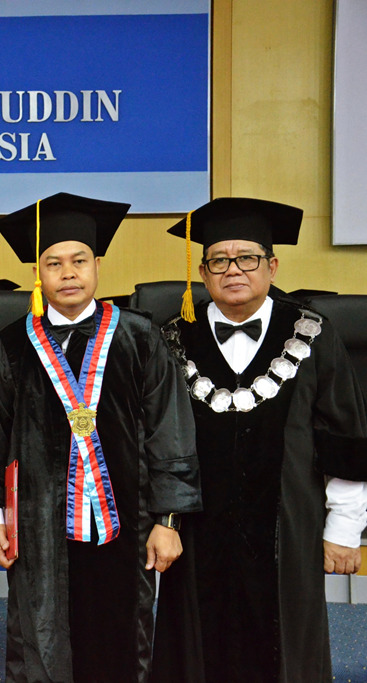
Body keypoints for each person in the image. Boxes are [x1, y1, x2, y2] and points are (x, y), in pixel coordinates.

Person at [0, 192, 201, 682]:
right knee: (40, 637)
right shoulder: (12, 345)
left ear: (97, 264)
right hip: (37, 528)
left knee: (122, 634)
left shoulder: (140, 337)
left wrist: (168, 519)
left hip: (128, 524)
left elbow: (170, 432)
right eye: (53, 263)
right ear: (39, 272)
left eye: (79, 260)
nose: (68, 272)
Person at [151, 198, 367, 683]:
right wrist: (161, 518)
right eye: (219, 260)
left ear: (271, 265)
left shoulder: (312, 334)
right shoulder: (171, 340)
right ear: (203, 273)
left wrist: (344, 529)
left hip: (287, 527)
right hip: (197, 529)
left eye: (246, 257)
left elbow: (345, 436)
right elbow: (158, 440)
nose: (233, 270)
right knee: (195, 649)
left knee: (286, 645)